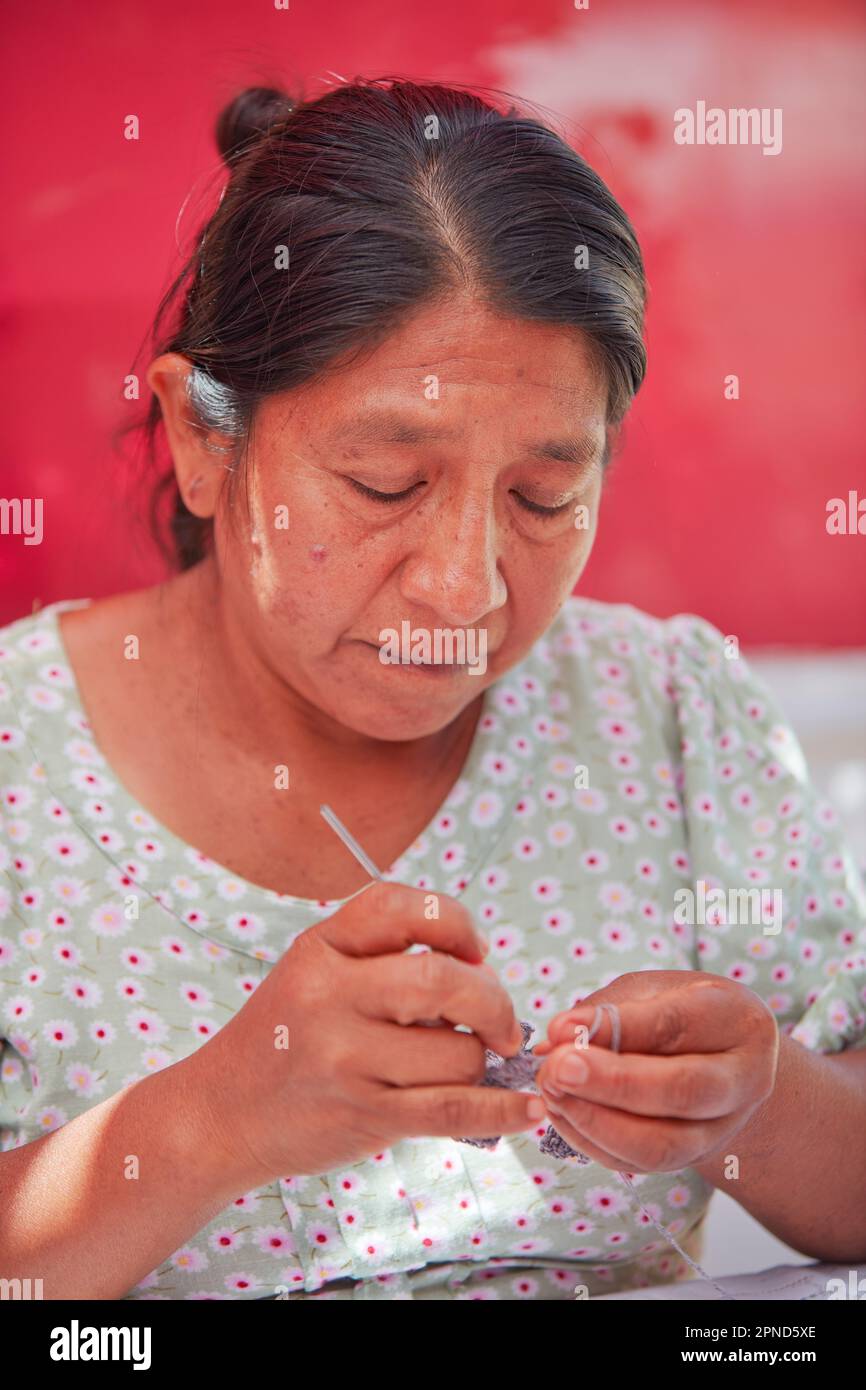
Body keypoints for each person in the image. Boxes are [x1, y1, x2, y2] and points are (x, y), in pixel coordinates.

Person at [1, 78, 864, 1302]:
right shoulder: (18, 769)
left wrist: (759, 1107)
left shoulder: (670, 718)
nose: (465, 590)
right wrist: (209, 1123)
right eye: (383, 484)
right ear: (202, 439)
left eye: (541, 500)